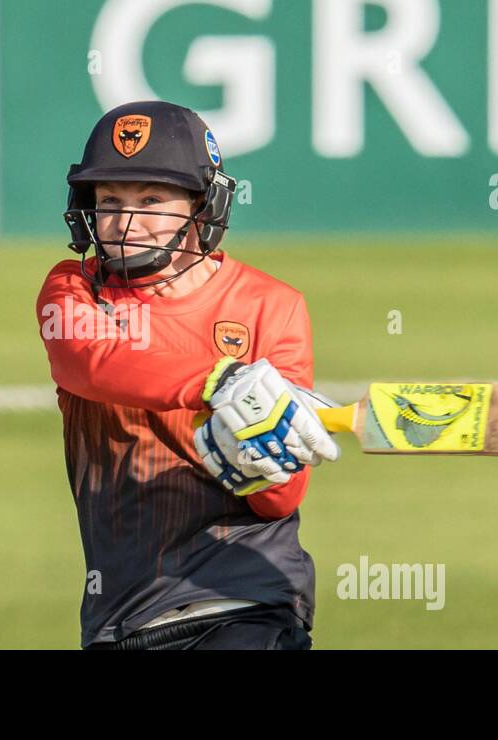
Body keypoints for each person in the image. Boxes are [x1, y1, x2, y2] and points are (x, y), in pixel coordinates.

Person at [36, 100, 340, 650]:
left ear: (205, 206)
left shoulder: (272, 306)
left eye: (152, 200)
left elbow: (281, 499)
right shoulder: (73, 290)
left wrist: (264, 453)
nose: (127, 222)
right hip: (124, 618)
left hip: (250, 601)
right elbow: (89, 361)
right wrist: (220, 382)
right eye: (109, 201)